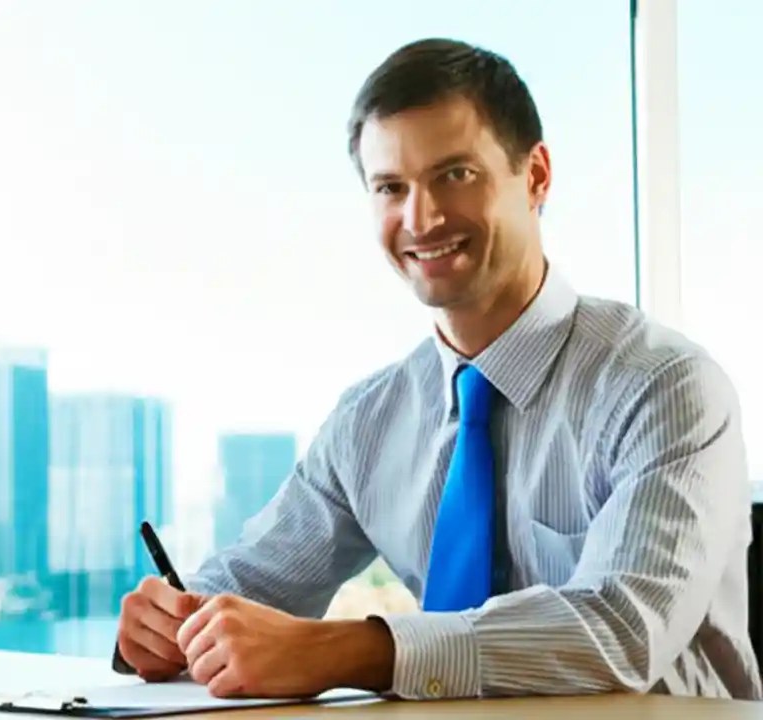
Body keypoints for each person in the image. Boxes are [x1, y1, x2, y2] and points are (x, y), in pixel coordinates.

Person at [114, 37, 763, 701]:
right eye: (391, 187)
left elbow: (622, 629)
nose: (420, 219)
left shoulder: (665, 386)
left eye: (454, 174)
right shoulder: (369, 422)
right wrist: (173, 625)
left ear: (536, 175)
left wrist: (355, 649)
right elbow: (249, 585)